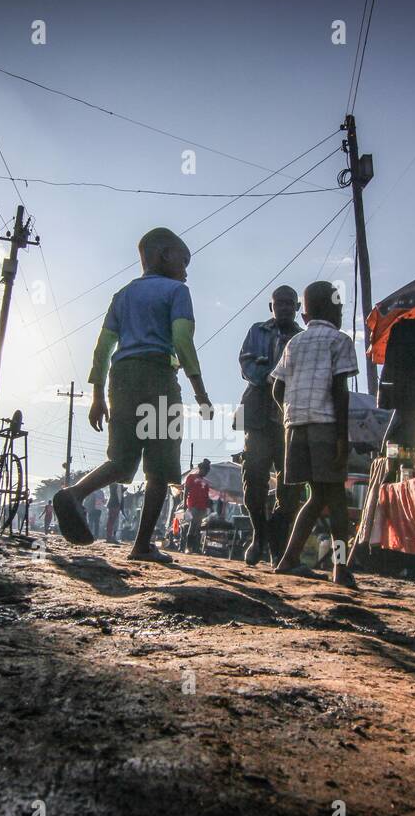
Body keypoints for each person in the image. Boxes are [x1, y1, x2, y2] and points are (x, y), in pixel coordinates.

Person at [52, 228, 212, 561]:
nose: (186, 270)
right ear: (165, 254)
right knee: (160, 468)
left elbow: (103, 347)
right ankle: (141, 546)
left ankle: (75, 493)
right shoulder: (177, 291)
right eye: (184, 261)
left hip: (121, 377)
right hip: (157, 377)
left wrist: (97, 395)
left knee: (122, 460)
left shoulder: (122, 295)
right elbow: (182, 341)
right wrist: (201, 394)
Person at [270, 281, 359, 588]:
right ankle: (336, 566)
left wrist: (291, 414)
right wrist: (342, 437)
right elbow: (340, 391)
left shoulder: (294, 342)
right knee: (332, 498)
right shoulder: (340, 340)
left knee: (320, 495)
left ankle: (294, 559)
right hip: (325, 425)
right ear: (336, 310)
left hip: (295, 427)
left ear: (304, 315)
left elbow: (277, 387)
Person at [237, 285, 305, 565]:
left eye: (290, 303)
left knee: (291, 487)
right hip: (258, 415)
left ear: (298, 306)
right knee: (253, 481)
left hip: (291, 420)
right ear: (271, 307)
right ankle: (259, 536)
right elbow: (245, 364)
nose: (285, 307)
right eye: (280, 303)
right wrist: (271, 378)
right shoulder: (258, 331)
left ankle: (278, 545)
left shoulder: (304, 338)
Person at [182, 458, 212, 553]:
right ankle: (188, 547)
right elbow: (186, 490)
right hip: (193, 504)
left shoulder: (206, 482)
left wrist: (208, 506)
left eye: (207, 471)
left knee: (198, 527)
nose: (205, 473)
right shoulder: (191, 477)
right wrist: (184, 503)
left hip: (202, 506)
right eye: (205, 470)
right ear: (200, 468)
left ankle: (195, 547)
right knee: (193, 524)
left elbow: (206, 495)